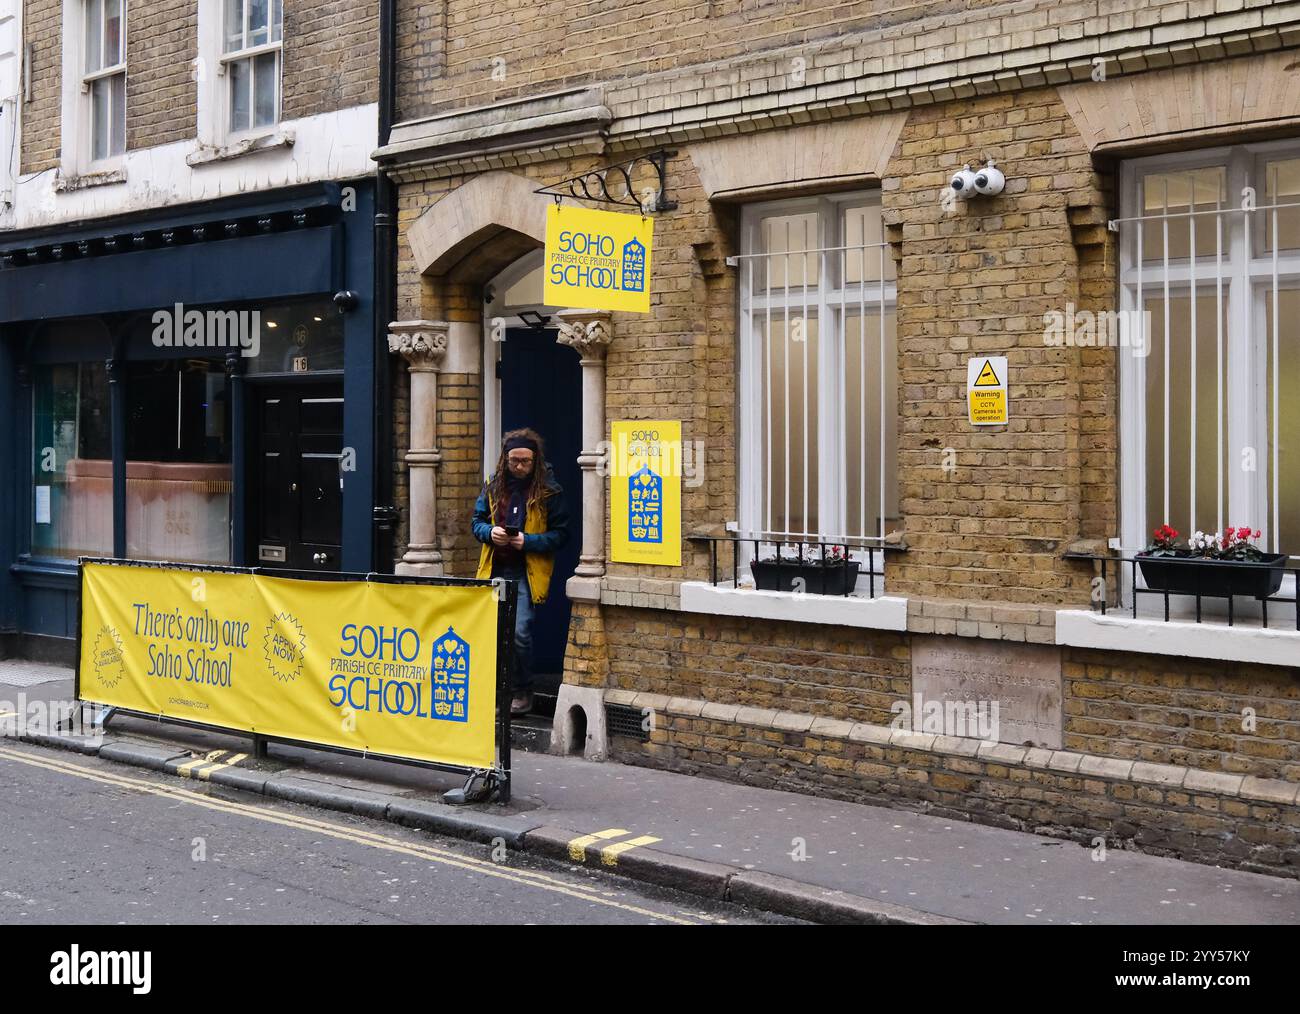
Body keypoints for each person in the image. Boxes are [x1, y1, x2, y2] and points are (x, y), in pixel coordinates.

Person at [472, 428, 570, 716]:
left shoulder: (549, 491)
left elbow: (562, 535)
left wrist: (528, 541)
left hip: (525, 571)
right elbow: (476, 522)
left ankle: (523, 691)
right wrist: (491, 533)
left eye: (525, 461)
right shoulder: (492, 486)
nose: (519, 466)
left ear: (535, 460)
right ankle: (496, 690)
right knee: (492, 632)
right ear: (505, 459)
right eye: (514, 460)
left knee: (519, 633)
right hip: (495, 567)